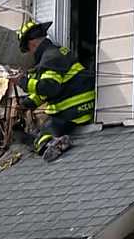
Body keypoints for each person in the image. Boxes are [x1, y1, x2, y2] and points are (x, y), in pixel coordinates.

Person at [16, 20, 96, 162]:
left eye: (27, 49)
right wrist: (27, 103)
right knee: (46, 127)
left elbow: (49, 87)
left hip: (71, 111)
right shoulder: (55, 53)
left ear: (32, 43)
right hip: (84, 107)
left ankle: (54, 143)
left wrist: (23, 82)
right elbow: (47, 90)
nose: (29, 53)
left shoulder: (49, 58)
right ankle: (55, 140)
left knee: (42, 136)